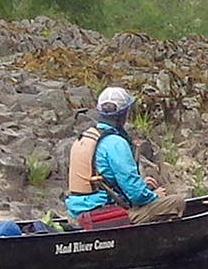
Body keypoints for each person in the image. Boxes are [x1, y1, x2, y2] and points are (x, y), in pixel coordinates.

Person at [65, 86, 186, 229]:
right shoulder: (116, 143)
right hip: (104, 215)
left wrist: (142, 185)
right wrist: (155, 196)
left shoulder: (86, 137)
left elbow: (108, 182)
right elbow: (136, 195)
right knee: (177, 202)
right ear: (124, 114)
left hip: (76, 214)